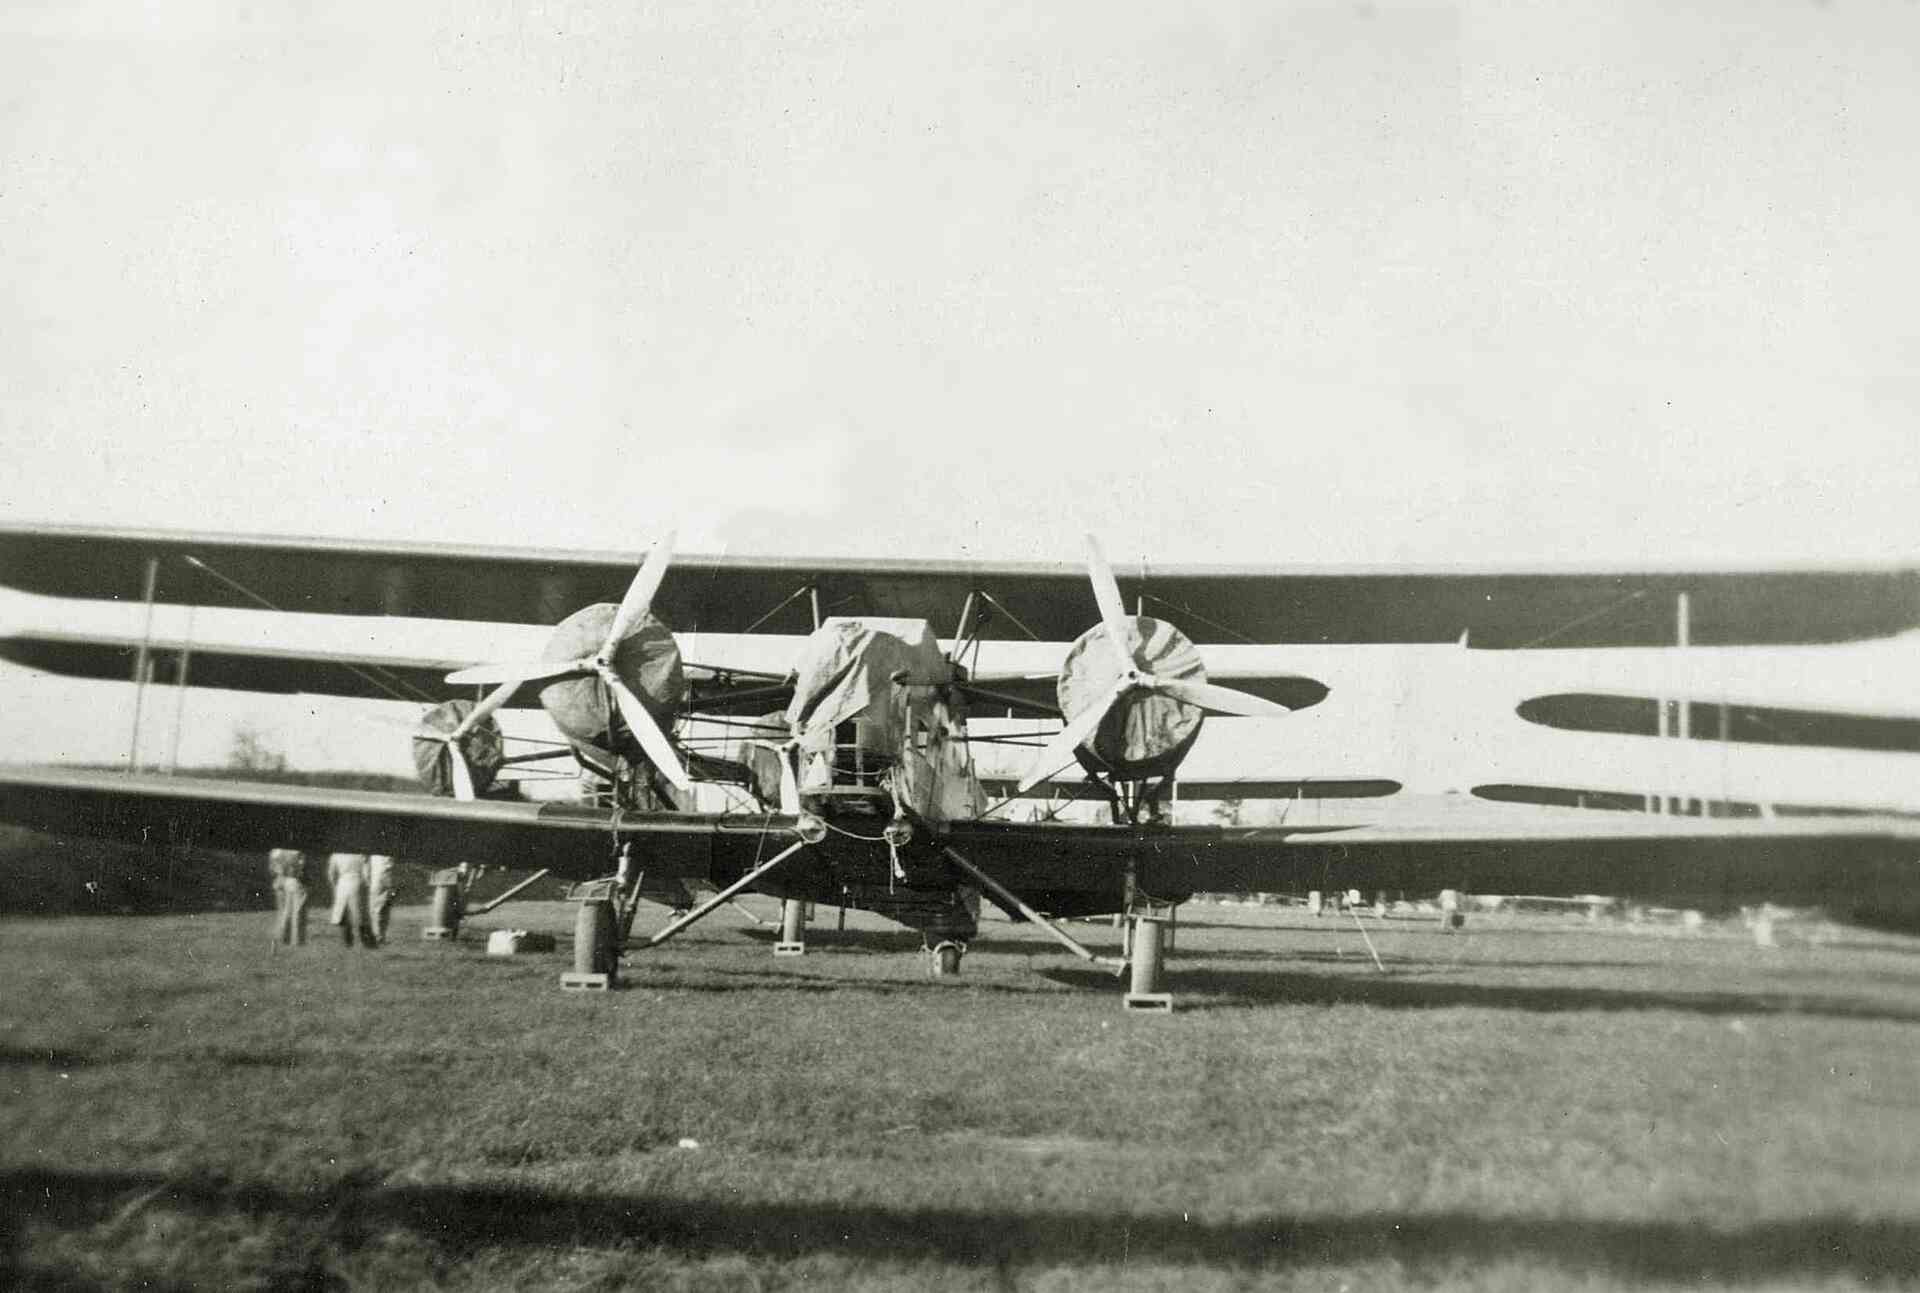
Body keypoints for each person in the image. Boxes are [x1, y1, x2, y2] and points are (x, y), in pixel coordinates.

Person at [328, 852, 378, 948]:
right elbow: (366, 874)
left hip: (342, 885)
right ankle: (368, 944)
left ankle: (346, 942)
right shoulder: (361, 855)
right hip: (356, 883)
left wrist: (335, 886)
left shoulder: (336, 855)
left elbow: (331, 874)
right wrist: (367, 886)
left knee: (343, 914)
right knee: (361, 916)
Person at [267, 848, 309, 948]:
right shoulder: (297, 852)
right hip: (292, 880)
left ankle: (280, 937)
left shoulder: (275, 851)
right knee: (296, 911)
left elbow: (271, 869)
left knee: (283, 911)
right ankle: (295, 940)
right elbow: (301, 868)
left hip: (278, 880)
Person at [368, 854, 395, 944]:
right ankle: (379, 936)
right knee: (383, 909)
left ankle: (379, 936)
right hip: (385, 880)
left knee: (379, 909)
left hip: (378, 881)